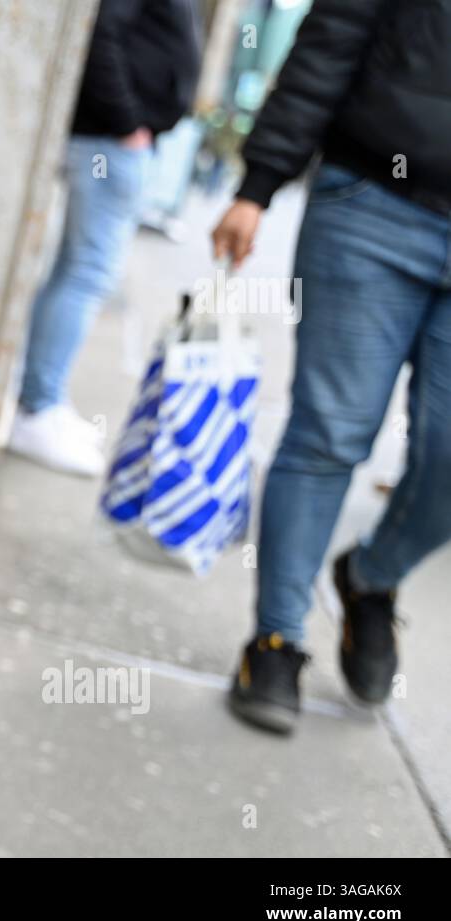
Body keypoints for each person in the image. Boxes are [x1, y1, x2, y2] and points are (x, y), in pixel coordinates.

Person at [214, 0, 451, 734]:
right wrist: (258, 184)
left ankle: (370, 578)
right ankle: (276, 641)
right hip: (372, 205)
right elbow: (328, 45)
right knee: (329, 432)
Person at [7, 0, 200, 476]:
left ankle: (37, 395)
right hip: (110, 140)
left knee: (75, 270)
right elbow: (100, 34)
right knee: (88, 272)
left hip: (115, 137)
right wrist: (126, 122)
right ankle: (37, 405)